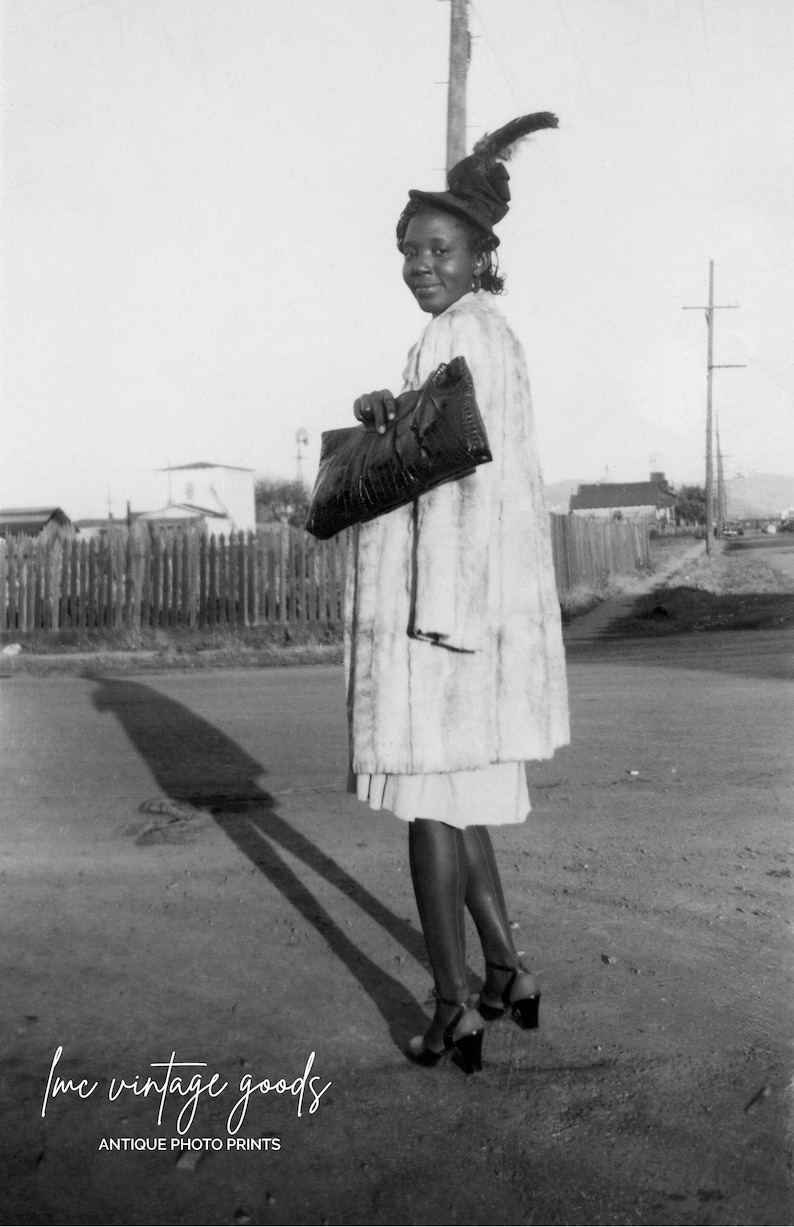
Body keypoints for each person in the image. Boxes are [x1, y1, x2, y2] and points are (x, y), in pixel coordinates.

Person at [345, 114, 570, 1074]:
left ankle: (450, 1009)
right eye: (407, 252)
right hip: (480, 616)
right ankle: (508, 968)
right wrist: (392, 412)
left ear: (482, 254)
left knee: (431, 811)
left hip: (448, 618)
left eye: (438, 249)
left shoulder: (463, 334)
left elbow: (459, 494)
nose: (419, 265)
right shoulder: (479, 334)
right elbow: (450, 454)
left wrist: (437, 622)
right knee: (463, 796)